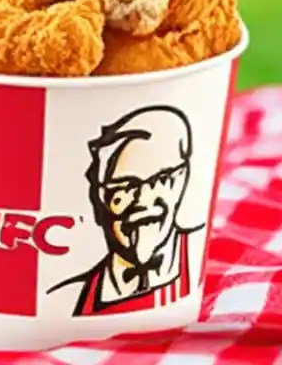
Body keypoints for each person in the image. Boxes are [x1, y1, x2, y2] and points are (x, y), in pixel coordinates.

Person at [49, 106, 203, 316]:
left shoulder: (195, 255)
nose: (142, 201)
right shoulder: (68, 296)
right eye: (125, 188)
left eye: (161, 180)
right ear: (98, 199)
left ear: (182, 180)